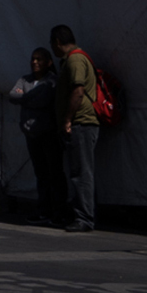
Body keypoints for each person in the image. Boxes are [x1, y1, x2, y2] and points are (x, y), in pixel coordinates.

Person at [8, 46, 65, 224]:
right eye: (33, 58)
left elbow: (44, 100)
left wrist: (25, 98)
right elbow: (12, 96)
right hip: (31, 135)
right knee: (41, 173)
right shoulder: (25, 79)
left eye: (39, 59)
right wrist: (31, 98)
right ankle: (43, 210)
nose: (35, 62)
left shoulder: (52, 81)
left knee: (54, 173)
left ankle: (58, 211)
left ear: (48, 62)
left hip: (48, 134)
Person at [53, 23, 99, 232]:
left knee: (81, 172)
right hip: (79, 123)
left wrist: (67, 120)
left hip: (81, 123)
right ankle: (83, 213)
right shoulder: (73, 59)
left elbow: (78, 91)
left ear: (57, 42)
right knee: (80, 171)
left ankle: (84, 218)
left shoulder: (75, 60)